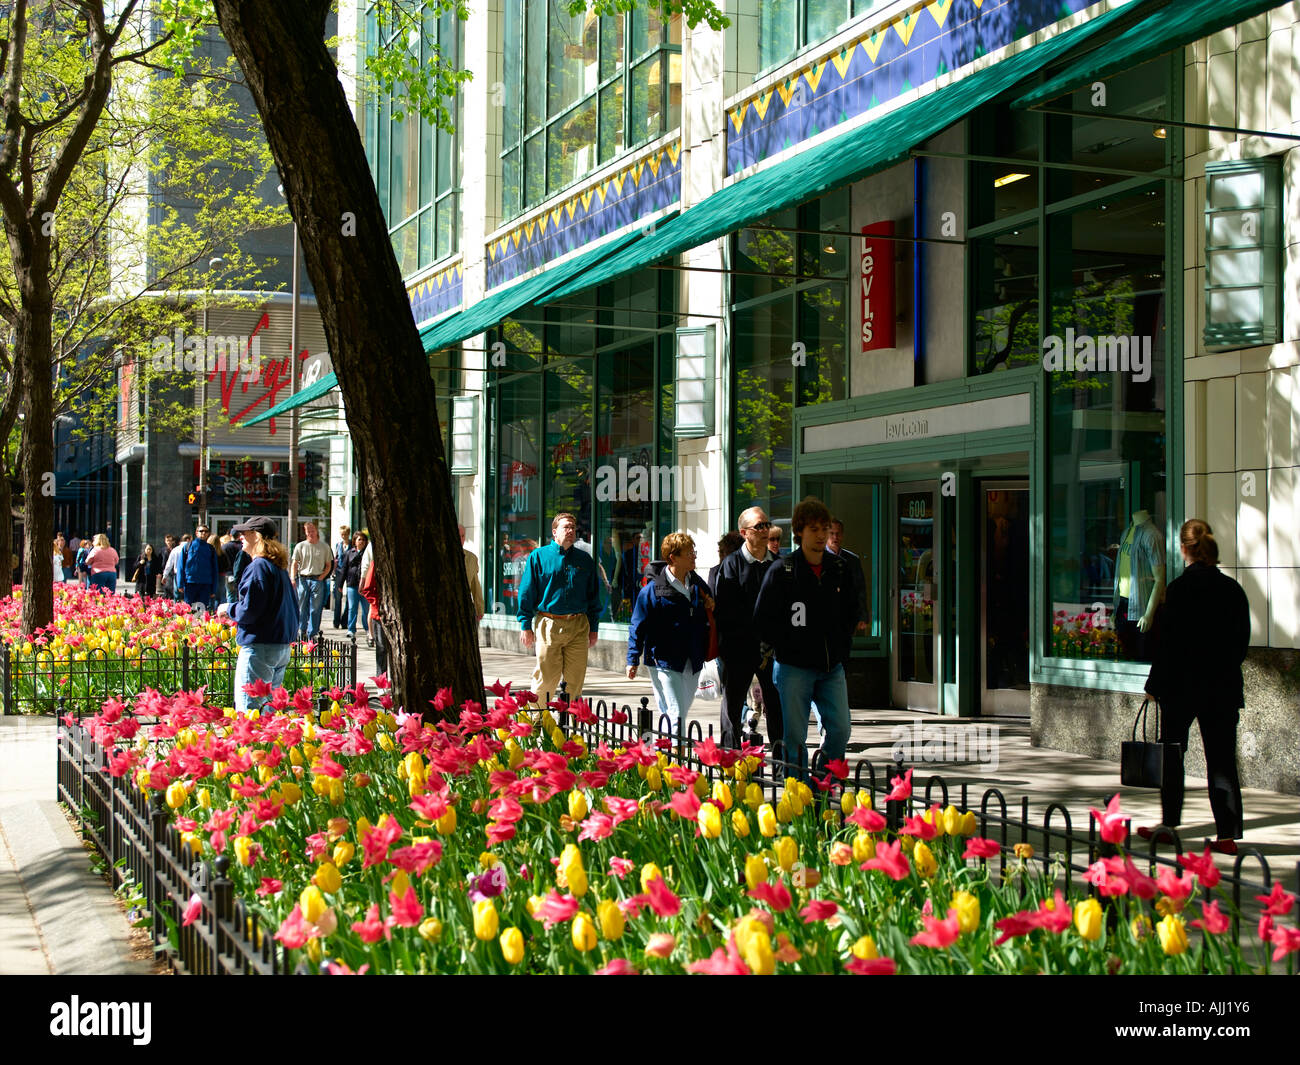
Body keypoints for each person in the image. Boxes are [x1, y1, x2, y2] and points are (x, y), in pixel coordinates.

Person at [1141, 519, 1250, 855]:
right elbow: (1240, 643)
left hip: (1181, 687)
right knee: (1221, 759)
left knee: (1173, 754)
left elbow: (1167, 644)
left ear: (1184, 549)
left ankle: (1169, 825)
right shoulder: (1233, 590)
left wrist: (1154, 683)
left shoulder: (1177, 590)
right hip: (1221, 687)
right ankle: (1227, 835)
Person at [754, 497, 860, 776]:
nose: (821, 535)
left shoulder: (839, 569)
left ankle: (821, 781)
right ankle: (797, 793)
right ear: (799, 531)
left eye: (824, 529)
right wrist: (785, 645)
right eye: (814, 529)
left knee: (840, 730)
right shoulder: (782, 571)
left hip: (831, 667)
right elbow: (763, 618)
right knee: (795, 738)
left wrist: (841, 646)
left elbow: (852, 612)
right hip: (793, 667)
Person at [626, 532, 714, 742]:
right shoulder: (652, 591)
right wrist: (632, 658)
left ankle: (664, 750)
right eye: (689, 553)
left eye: (694, 552)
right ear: (673, 557)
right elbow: (638, 625)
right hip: (663, 659)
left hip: (692, 658)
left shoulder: (698, 585)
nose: (694, 556)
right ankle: (678, 760)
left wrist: (710, 605)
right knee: (676, 713)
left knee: (678, 710)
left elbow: (709, 608)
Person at [713, 507, 783, 750]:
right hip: (739, 649)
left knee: (777, 706)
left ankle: (782, 765)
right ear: (744, 533)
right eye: (759, 526)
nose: (765, 531)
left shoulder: (780, 565)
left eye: (767, 524)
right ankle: (731, 761)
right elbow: (725, 611)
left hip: (773, 651)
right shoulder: (731, 565)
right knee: (732, 706)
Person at [517, 512, 601, 703]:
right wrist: (525, 625)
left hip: (578, 625)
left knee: (575, 680)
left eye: (573, 527)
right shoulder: (538, 557)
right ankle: (537, 725)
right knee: (546, 679)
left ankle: (570, 727)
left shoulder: (584, 560)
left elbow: (593, 596)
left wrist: (594, 628)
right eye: (566, 527)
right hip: (548, 624)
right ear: (555, 532)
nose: (571, 530)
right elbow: (526, 592)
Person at [219, 516, 299, 715]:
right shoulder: (277, 567)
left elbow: (250, 610)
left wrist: (228, 609)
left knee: (250, 711)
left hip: (260, 647)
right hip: (279, 646)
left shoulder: (258, 566)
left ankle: (253, 747)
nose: (240, 537)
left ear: (256, 536)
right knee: (268, 711)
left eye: (245, 533)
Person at [291, 521, 335, 641]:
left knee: (315, 608)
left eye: (312, 530)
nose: (311, 533)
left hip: (317, 579)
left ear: (316, 531)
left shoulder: (324, 547)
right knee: (302, 607)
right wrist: (292, 578)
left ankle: (313, 633)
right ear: (305, 532)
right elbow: (294, 563)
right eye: (308, 531)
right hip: (303, 578)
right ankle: (302, 631)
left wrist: (321, 577)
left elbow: (329, 565)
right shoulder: (300, 546)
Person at [827, 519, 870, 636]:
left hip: (846, 616)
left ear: (842, 535)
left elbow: (860, 589)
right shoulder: (818, 557)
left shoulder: (852, 560)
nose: (835, 537)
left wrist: (863, 616)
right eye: (831, 533)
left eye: (838, 533)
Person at [180, 524, 219, 608]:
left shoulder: (211, 549)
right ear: (196, 533)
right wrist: (180, 583)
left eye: (206, 531)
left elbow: (215, 569)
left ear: (208, 534)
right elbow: (181, 566)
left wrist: (213, 589)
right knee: (189, 609)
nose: (203, 533)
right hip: (190, 583)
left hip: (205, 584)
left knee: (201, 610)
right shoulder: (188, 546)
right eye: (201, 531)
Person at [343, 531, 370, 638]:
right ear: (354, 541)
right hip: (352, 584)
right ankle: (351, 629)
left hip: (365, 585)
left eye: (363, 540)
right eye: (359, 539)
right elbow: (344, 569)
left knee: (366, 608)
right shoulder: (349, 553)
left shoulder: (367, 553)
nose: (362, 542)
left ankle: (368, 628)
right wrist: (340, 584)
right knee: (352, 608)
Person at [460, 523, 485, 622]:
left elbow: (475, 584)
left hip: (465, 606)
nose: (461, 539)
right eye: (458, 535)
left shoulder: (471, 558)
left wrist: (480, 609)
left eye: (463, 536)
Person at [332, 524, 352, 628]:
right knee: (337, 597)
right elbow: (335, 559)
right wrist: (333, 572)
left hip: (349, 572)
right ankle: (336, 621)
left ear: (348, 534)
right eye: (341, 534)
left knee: (349, 598)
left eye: (345, 534)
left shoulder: (352, 545)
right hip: (339, 572)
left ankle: (345, 621)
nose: (343, 536)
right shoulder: (338, 545)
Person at [162, 534, 189, 601]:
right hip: (189, 575)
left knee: (177, 594)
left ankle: (176, 608)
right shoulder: (192, 549)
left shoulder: (175, 550)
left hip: (177, 574)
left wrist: (164, 576)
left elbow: (169, 564)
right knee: (187, 594)